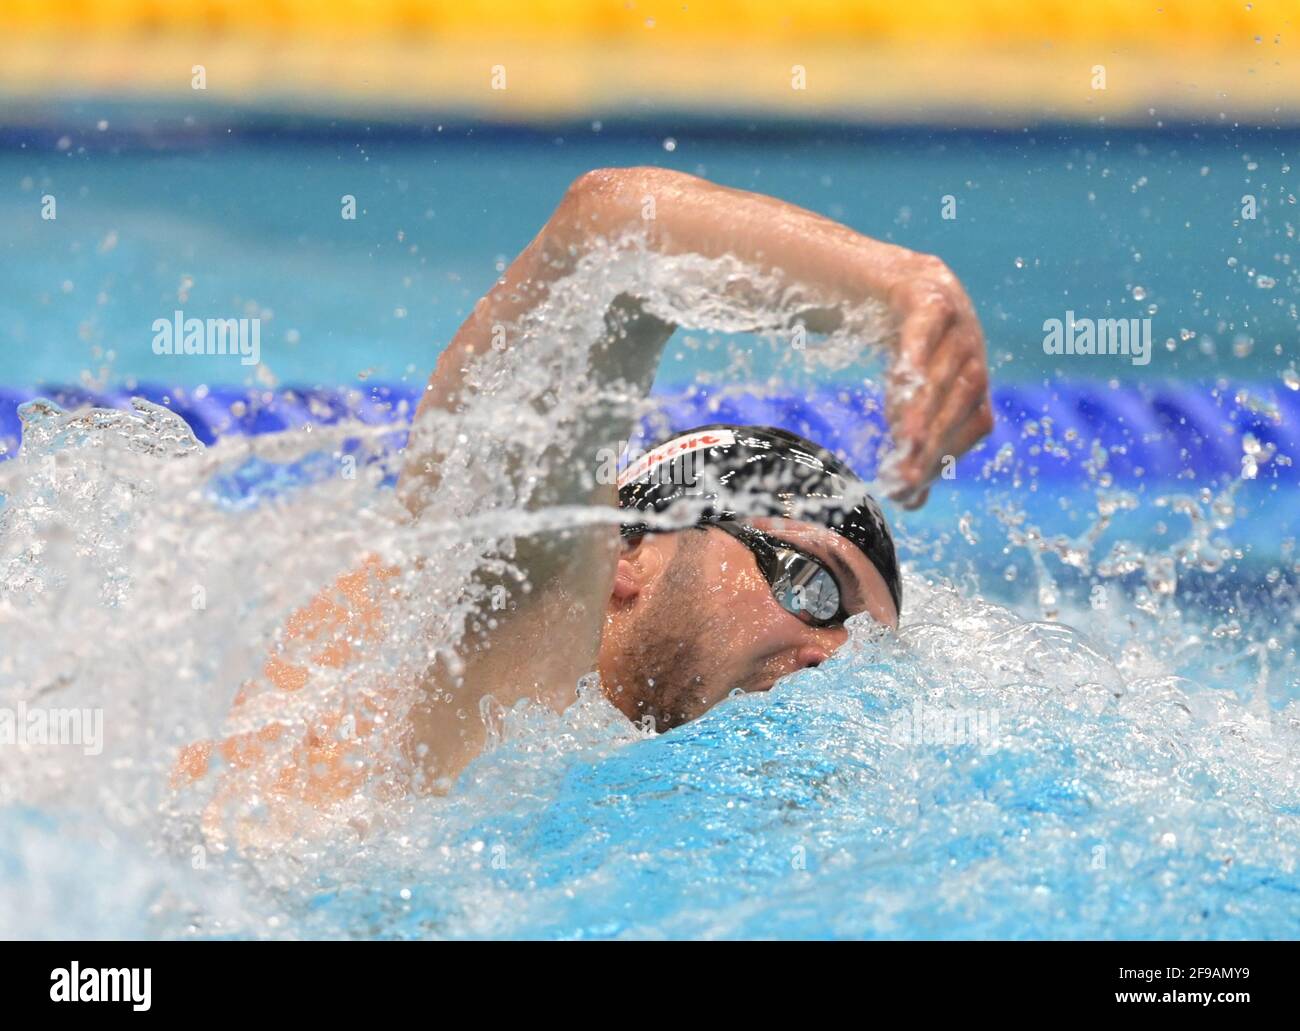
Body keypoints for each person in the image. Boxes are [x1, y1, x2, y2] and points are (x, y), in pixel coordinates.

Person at [174, 167, 991, 828]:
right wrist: (900, 287)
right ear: (626, 551)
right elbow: (609, 247)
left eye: (864, 642)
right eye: (811, 585)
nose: (834, 657)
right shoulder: (490, 623)